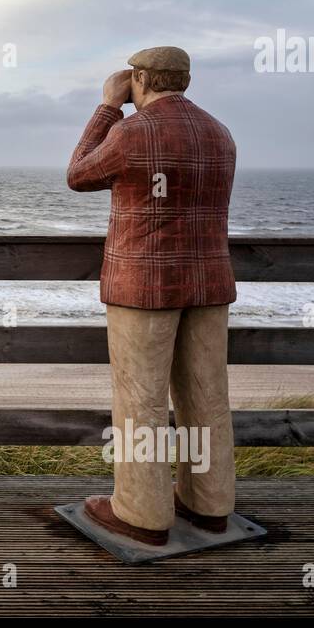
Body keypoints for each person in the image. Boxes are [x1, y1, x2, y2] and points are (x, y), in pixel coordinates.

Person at [66, 46, 237, 546]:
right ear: (184, 80)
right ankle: (209, 505)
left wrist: (106, 107)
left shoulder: (131, 131)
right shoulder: (218, 132)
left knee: (140, 398)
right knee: (207, 397)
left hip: (143, 286)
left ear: (139, 77)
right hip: (208, 283)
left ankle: (142, 513)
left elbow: (78, 175)